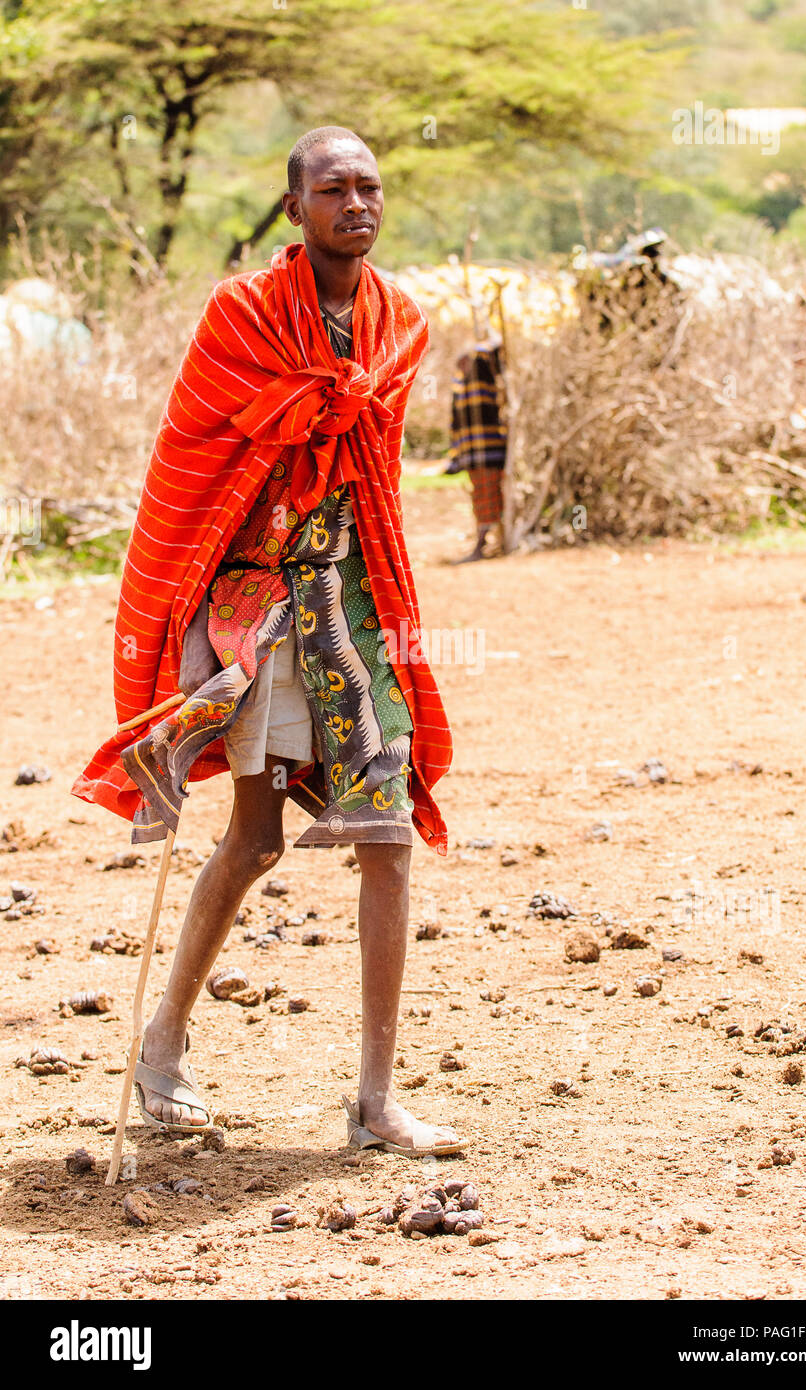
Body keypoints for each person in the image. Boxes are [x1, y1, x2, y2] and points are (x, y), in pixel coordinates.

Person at [72, 127, 461, 1158]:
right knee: (253, 840)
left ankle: (376, 1102)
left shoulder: (401, 326)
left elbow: (367, 469)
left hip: (357, 598)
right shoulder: (240, 314)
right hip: (256, 602)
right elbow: (199, 454)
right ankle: (159, 1048)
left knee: (384, 837)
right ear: (293, 208)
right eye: (332, 188)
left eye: (370, 187)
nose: (356, 203)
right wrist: (196, 626)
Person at [447, 340, 507, 561]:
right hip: (474, 452)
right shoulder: (462, 385)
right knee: (482, 496)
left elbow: (494, 347)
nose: (462, 367)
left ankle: (482, 544)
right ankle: (487, 541)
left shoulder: (482, 371)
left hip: (489, 450)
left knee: (489, 496)